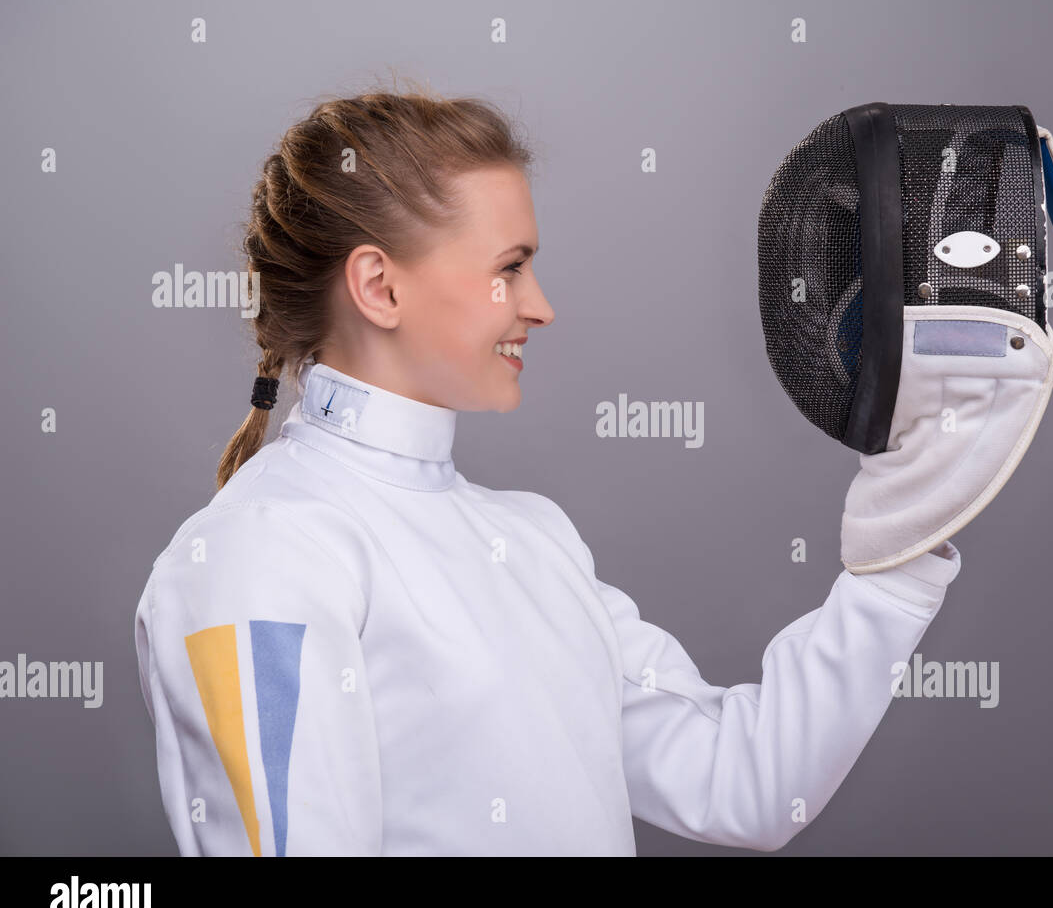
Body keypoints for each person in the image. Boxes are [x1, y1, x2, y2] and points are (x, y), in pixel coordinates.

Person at [132, 88, 961, 856]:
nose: (539, 304)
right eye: (508, 268)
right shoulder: (263, 552)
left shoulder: (530, 539)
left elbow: (744, 780)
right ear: (379, 286)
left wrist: (906, 535)